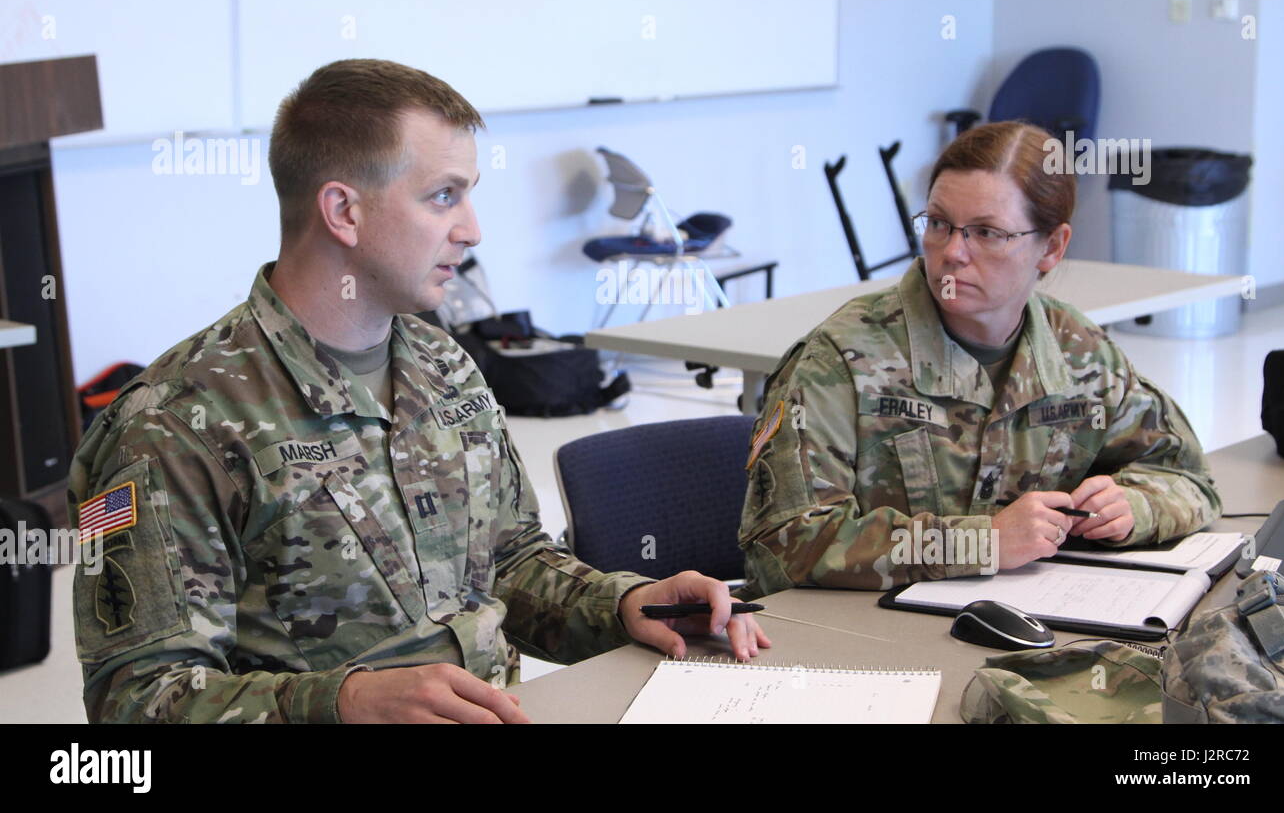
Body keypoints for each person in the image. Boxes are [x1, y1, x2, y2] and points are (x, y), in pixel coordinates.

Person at [68, 58, 769, 724]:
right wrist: (343, 705)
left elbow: (510, 563)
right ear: (344, 212)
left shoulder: (444, 365)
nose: (472, 231)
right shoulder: (170, 424)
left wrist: (624, 604)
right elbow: (136, 700)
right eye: (443, 197)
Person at [739, 121, 1221, 596]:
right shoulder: (842, 359)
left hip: (1033, 621)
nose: (952, 252)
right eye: (939, 224)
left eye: (987, 233)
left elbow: (1189, 477)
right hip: (875, 643)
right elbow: (785, 545)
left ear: (1051, 247)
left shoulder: (1079, 352)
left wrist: (1137, 506)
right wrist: (980, 542)